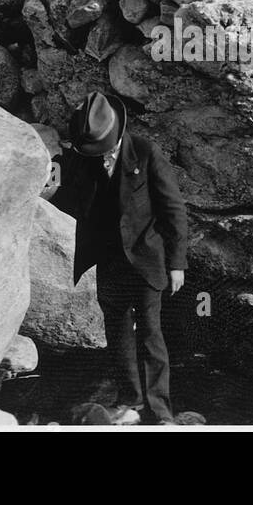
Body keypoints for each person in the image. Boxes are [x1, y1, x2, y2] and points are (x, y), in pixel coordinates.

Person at [48, 91, 189, 425]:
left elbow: (174, 210)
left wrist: (177, 264)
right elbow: (71, 199)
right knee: (119, 333)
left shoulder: (145, 152)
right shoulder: (83, 157)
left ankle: (160, 409)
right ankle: (131, 401)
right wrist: (50, 184)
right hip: (108, 259)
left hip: (147, 259)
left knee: (151, 334)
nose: (100, 154)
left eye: (103, 146)